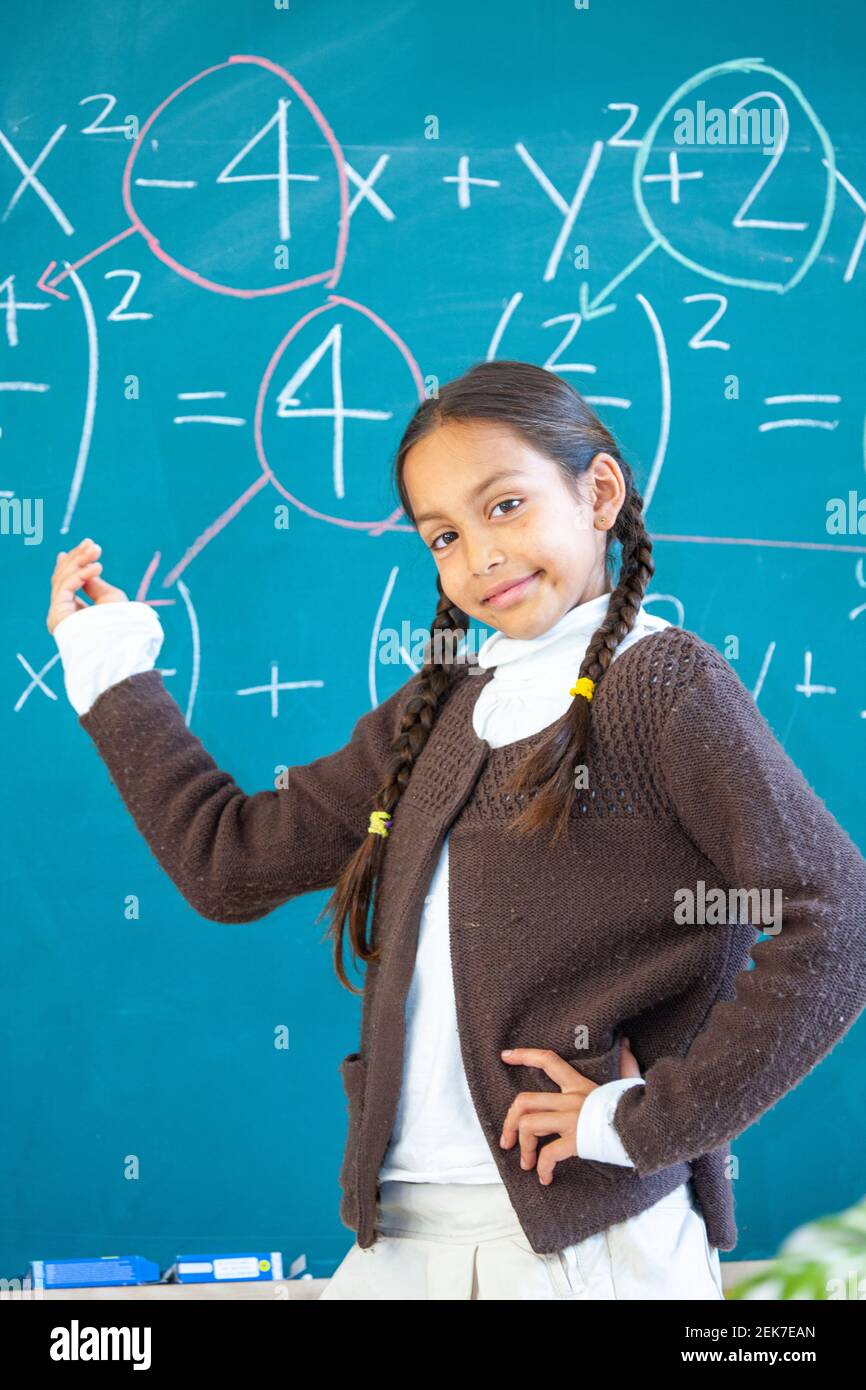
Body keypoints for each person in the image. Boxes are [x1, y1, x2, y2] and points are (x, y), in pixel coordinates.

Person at [47, 360, 866, 1300]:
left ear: (598, 492)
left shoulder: (663, 684)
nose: (479, 555)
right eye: (443, 534)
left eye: (506, 506)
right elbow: (225, 863)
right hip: (398, 1237)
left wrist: (646, 1121)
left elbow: (838, 918)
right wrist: (114, 675)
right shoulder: (437, 710)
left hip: (586, 1241)